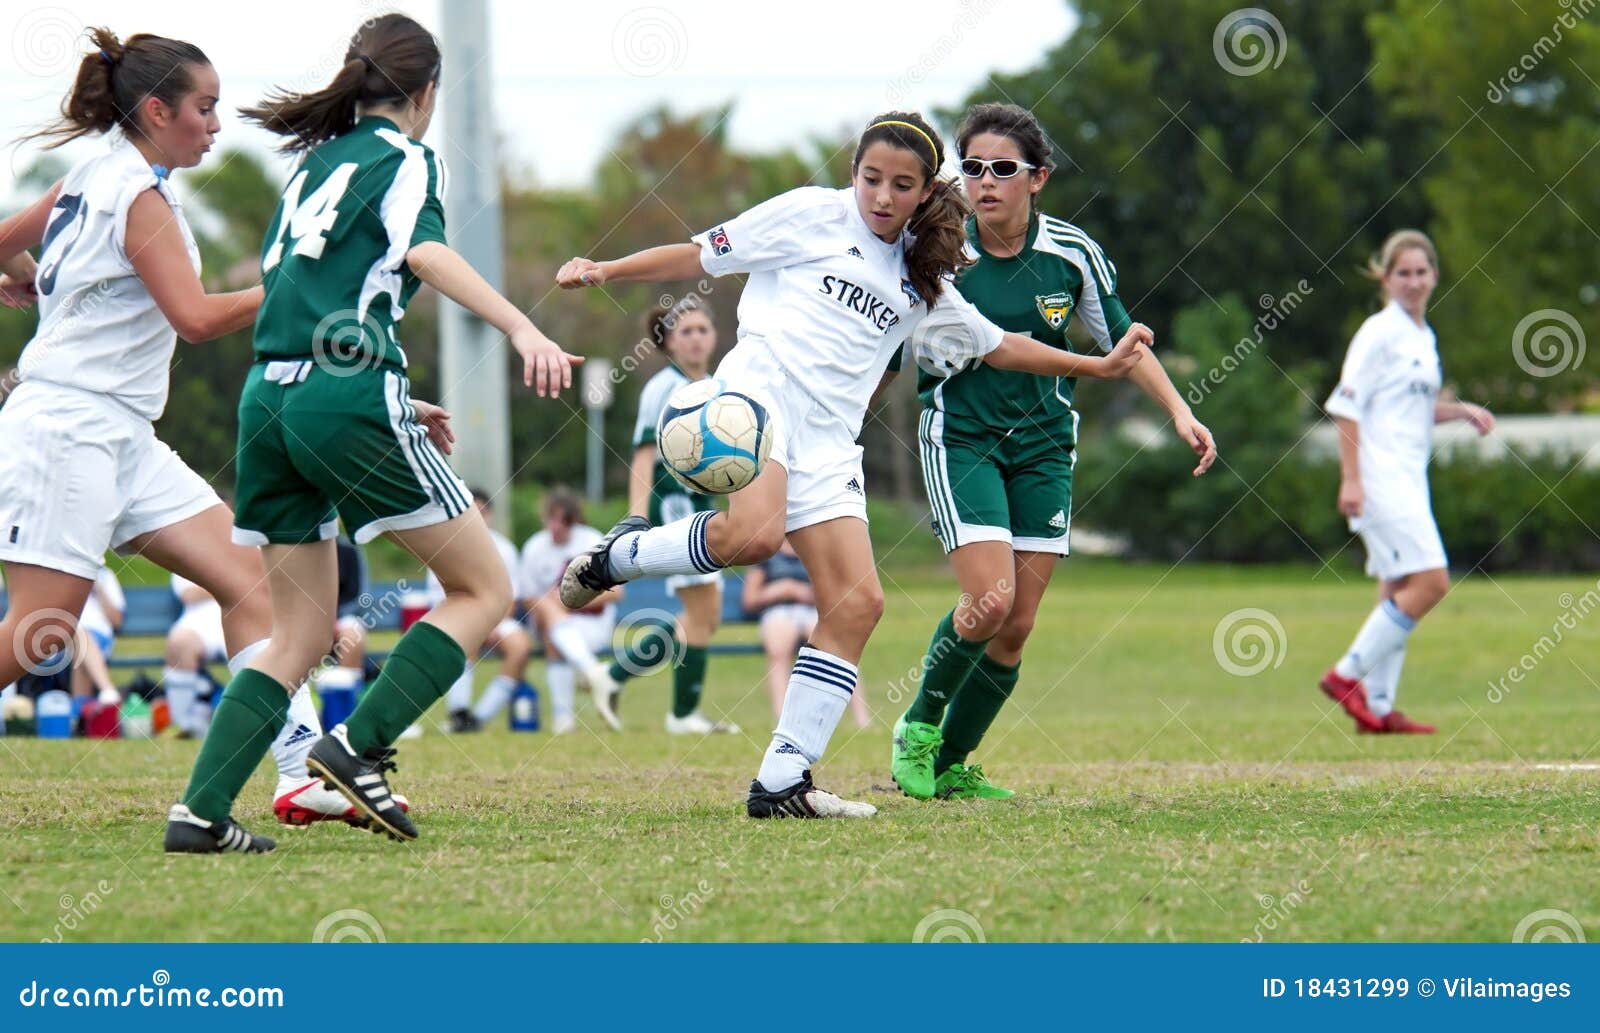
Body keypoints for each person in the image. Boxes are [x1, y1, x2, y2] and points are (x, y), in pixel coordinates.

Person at [556, 111, 1149, 818]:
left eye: (902, 185)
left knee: (858, 604)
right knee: (755, 535)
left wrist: (1099, 364)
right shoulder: (811, 215)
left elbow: (999, 346)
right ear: (853, 175)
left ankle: (782, 780)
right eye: (871, 178)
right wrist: (604, 268)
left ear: (927, 191)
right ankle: (621, 555)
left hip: (832, 441)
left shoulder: (923, 277)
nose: (881, 197)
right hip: (761, 396)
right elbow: (698, 254)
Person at [167, 13, 580, 850]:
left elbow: (299, 298)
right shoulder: (406, 157)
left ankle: (199, 813)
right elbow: (424, 255)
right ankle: (356, 748)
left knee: (299, 635)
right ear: (427, 91)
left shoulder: (315, 165)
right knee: (486, 588)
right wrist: (522, 329)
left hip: (270, 400)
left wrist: (392, 390)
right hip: (340, 397)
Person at [0, 27, 353, 847]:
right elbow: (195, 318)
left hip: (121, 433)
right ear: (158, 110)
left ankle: (297, 773)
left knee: (252, 583)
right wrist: (293, 286)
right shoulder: (136, 196)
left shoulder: (90, 176)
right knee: (37, 635)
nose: (217, 124)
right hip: (68, 430)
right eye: (206, 107)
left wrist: (17, 278)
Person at [887, 103, 1218, 801]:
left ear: (1037, 178)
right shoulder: (938, 250)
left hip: (1043, 449)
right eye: (971, 167)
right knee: (988, 599)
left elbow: (1122, 342)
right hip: (963, 439)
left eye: (1002, 169)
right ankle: (917, 726)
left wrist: (1181, 411)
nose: (984, 181)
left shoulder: (1072, 254)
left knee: (1016, 627)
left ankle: (952, 764)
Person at [1318, 230, 1493, 734]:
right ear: (1386, 278)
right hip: (1379, 475)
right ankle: (1346, 674)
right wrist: (1351, 480)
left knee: (1397, 583)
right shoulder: (1378, 332)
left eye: (1422, 272)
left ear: (1435, 276)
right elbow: (1345, 407)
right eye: (1403, 273)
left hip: (1410, 477)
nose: (1414, 282)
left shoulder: (1423, 337)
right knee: (1432, 581)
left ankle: (1378, 705)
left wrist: (1460, 412)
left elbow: (1407, 408)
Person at [593, 300, 738, 734]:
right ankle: (680, 714)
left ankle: (615, 677)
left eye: (701, 329)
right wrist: (637, 515)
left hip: (702, 504)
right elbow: (642, 453)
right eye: (685, 331)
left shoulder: (718, 384)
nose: (695, 337)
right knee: (702, 609)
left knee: (703, 616)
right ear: (669, 341)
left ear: (714, 335)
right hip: (672, 504)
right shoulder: (662, 387)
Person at [431, 490, 534, 731]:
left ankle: (478, 718)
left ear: (489, 515)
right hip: (460, 619)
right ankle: (459, 712)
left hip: (497, 620)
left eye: (482, 512)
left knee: (520, 646)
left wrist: (488, 625)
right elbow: (441, 599)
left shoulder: (505, 548)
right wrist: (475, 625)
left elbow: (511, 600)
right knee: (466, 640)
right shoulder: (444, 546)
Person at [520, 489, 619, 734]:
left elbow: (615, 593)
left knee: (552, 628)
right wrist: (553, 605)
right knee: (546, 614)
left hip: (591, 624)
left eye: (562, 521)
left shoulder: (592, 541)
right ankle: (592, 672)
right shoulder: (535, 546)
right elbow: (528, 598)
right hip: (550, 623)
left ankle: (563, 717)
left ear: (574, 521)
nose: (555, 526)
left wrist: (570, 601)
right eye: (551, 519)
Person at [743, 539, 869, 729]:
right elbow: (750, 600)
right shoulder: (766, 557)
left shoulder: (814, 554)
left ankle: (862, 717)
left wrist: (806, 593)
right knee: (779, 650)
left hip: (812, 611)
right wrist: (779, 590)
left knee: (841, 650)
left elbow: (832, 593)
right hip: (777, 611)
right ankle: (783, 719)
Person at [71, 567, 125, 703]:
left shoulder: (106, 575)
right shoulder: (59, 571)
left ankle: (79, 714)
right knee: (79, 634)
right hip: (62, 638)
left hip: (98, 638)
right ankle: (108, 690)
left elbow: (117, 621)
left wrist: (97, 587)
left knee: (80, 641)